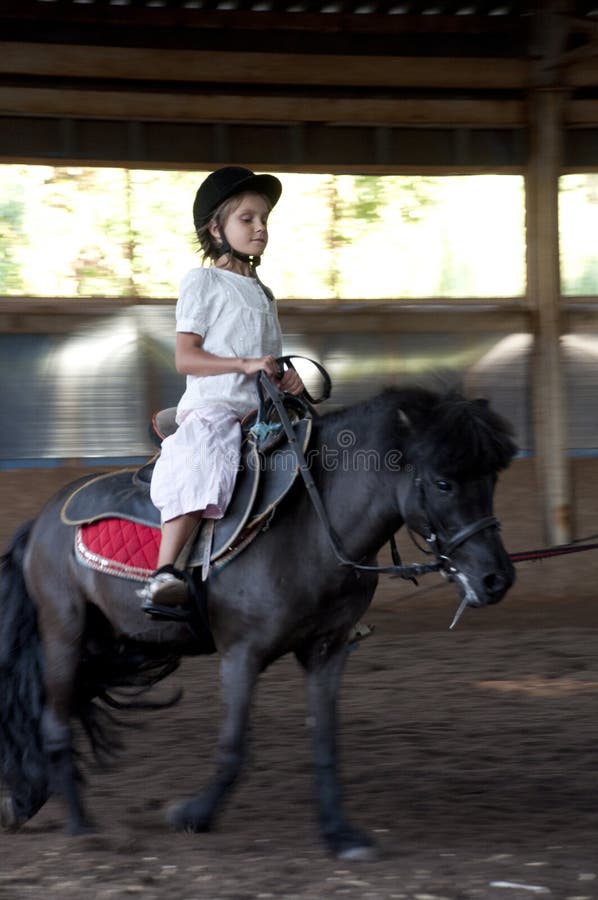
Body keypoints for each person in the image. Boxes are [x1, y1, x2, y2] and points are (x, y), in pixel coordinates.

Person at [139, 166, 304, 615]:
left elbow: (267, 360)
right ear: (216, 228)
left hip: (262, 412)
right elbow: (185, 358)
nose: (260, 228)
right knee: (206, 457)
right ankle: (165, 573)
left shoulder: (263, 293)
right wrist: (243, 364)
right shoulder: (203, 282)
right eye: (247, 219)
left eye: (264, 219)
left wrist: (284, 378)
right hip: (216, 406)